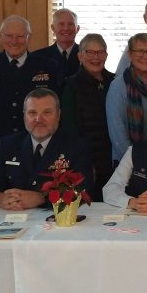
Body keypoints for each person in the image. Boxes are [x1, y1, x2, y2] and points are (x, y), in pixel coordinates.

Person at [0, 15, 62, 173]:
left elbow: (57, 110)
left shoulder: (48, 66)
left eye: (20, 36)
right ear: (0, 37)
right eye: (9, 36)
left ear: (28, 37)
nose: (14, 41)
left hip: (36, 151)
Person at [0, 88, 93, 209]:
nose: (39, 119)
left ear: (58, 115)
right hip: (15, 217)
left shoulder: (76, 145)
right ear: (24, 116)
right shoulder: (8, 144)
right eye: (32, 113)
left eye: (47, 113)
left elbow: (84, 190)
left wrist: (41, 198)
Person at [60, 33, 115, 200]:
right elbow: (68, 128)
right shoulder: (70, 85)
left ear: (106, 55)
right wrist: (83, 162)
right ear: (80, 56)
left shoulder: (115, 81)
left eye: (100, 52)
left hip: (114, 160)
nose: (96, 57)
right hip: (86, 161)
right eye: (90, 52)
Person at [106, 33, 147, 165]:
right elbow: (117, 133)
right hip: (126, 162)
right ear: (130, 55)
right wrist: (138, 162)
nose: (145, 56)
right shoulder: (118, 86)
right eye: (139, 51)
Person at [33, 8, 81, 79]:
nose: (66, 28)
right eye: (61, 24)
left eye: (71, 24)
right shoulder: (37, 57)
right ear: (53, 28)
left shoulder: (88, 56)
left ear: (77, 29)